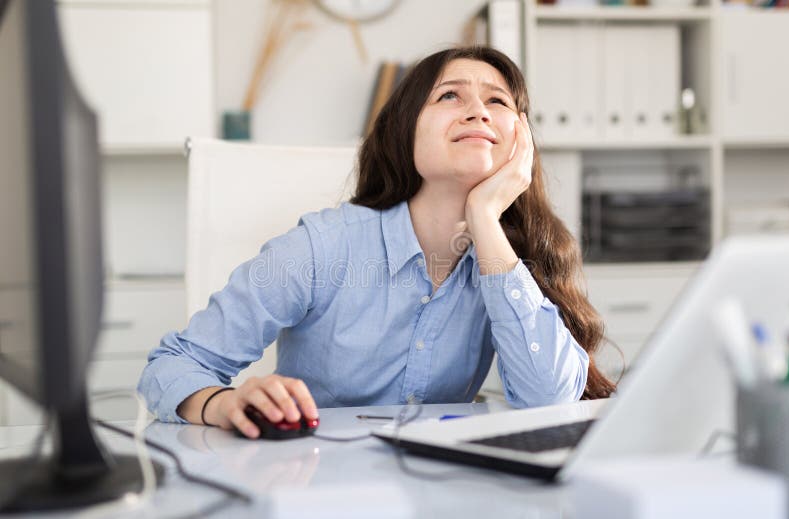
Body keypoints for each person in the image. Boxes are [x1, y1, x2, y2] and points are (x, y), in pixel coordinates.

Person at [138, 46, 615, 439]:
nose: (477, 111)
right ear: (403, 130)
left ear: (521, 141)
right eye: (450, 95)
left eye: (499, 102)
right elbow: (172, 365)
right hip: (313, 484)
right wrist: (223, 404)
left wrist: (486, 218)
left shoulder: (509, 262)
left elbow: (548, 403)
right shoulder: (323, 247)